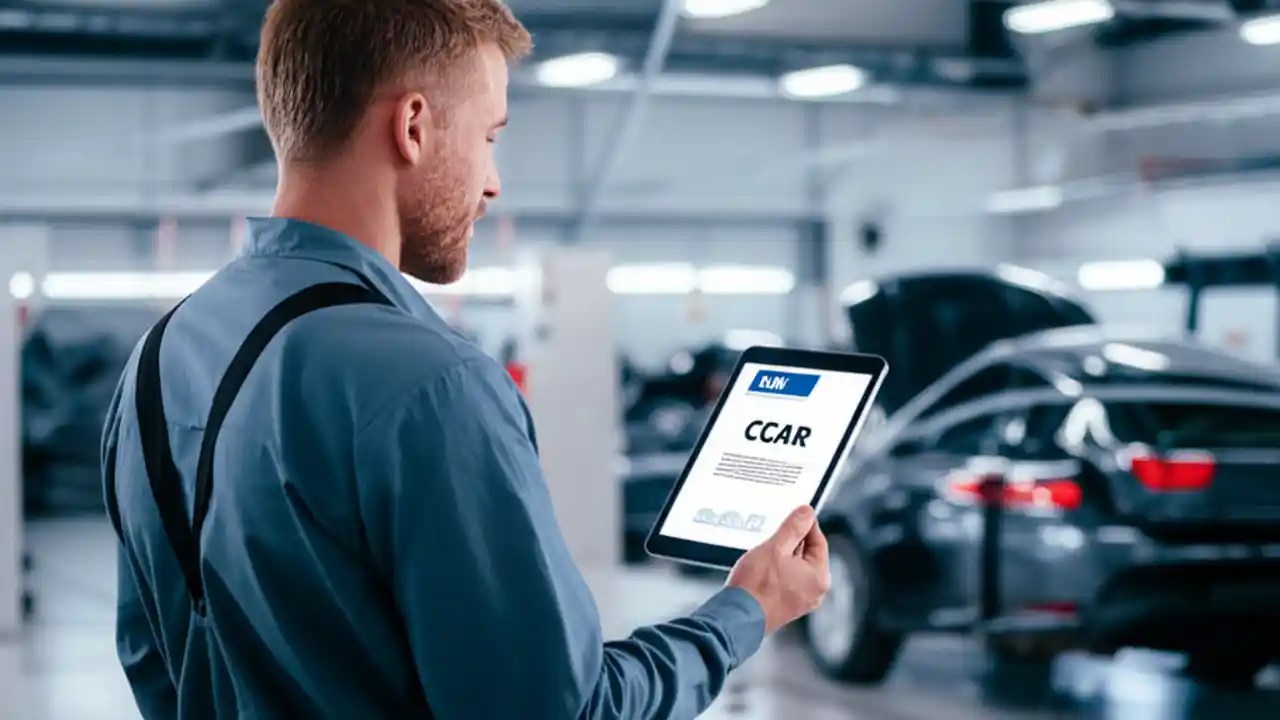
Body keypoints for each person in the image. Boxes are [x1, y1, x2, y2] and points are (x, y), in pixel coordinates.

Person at [101, 1, 830, 718]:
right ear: (413, 126)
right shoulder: (433, 385)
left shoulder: (154, 363)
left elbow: (150, 656)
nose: (493, 182)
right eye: (489, 136)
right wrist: (745, 610)